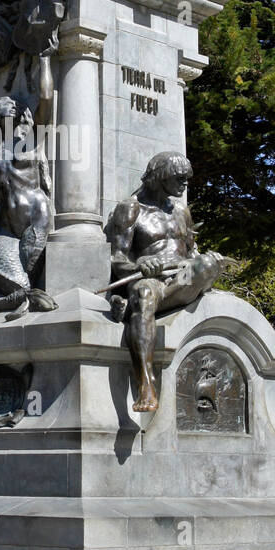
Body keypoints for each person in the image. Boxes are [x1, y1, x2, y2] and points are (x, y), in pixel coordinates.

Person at [107, 151, 223, 411]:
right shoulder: (131, 208)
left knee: (207, 263)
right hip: (152, 281)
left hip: (180, 276)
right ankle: (145, 385)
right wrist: (139, 264)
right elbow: (117, 259)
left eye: (187, 178)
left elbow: (192, 252)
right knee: (144, 295)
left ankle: (131, 310)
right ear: (161, 176)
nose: (185, 184)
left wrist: (206, 259)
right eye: (180, 178)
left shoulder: (182, 210)